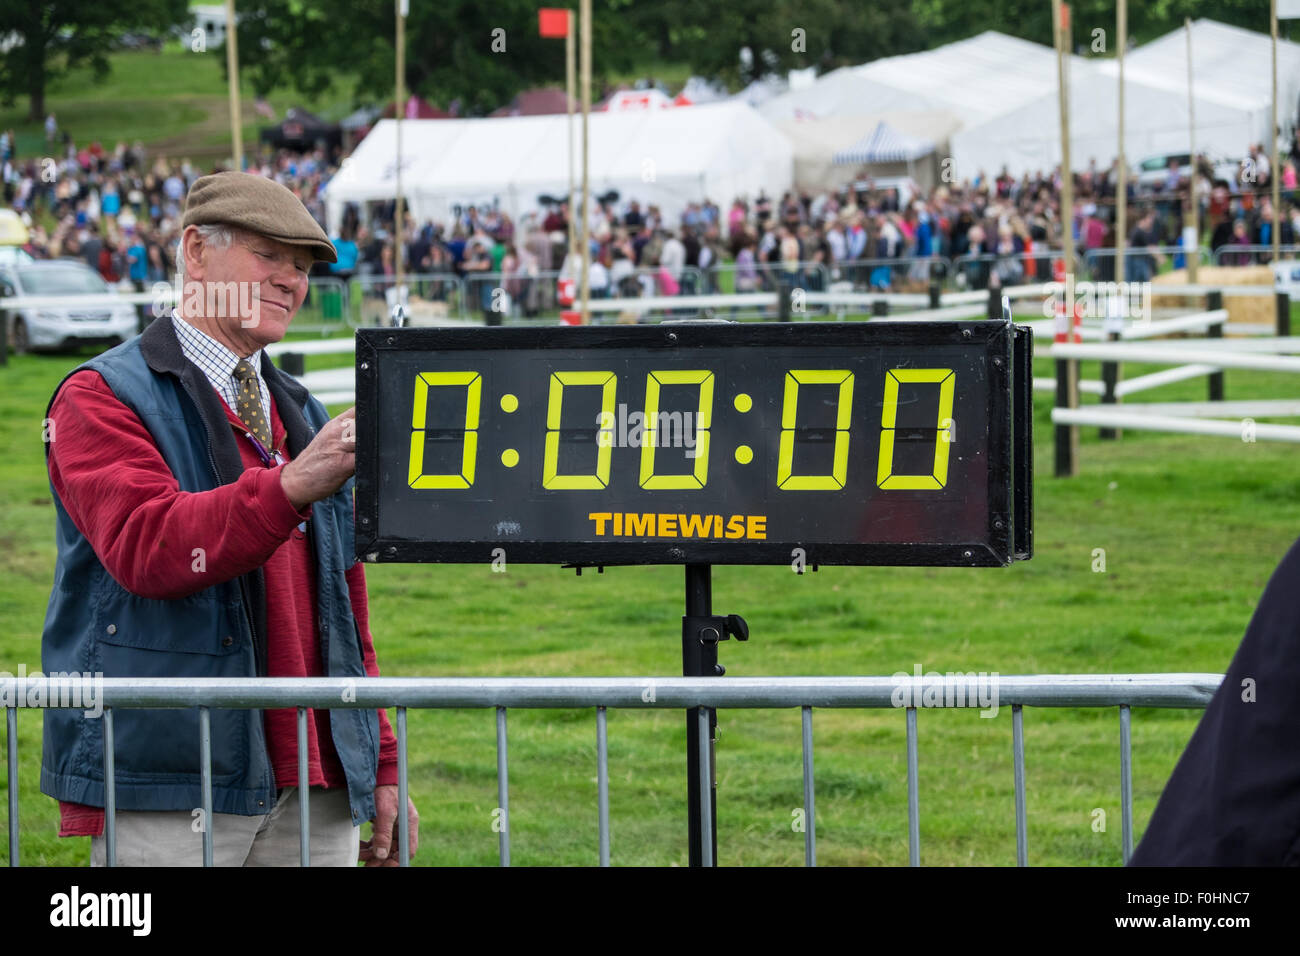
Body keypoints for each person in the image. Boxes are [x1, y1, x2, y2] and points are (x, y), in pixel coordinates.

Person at [40, 171, 418, 867]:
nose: (291, 281)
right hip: (172, 776)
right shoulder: (99, 396)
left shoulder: (298, 407)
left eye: (302, 268)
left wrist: (381, 760)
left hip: (320, 779)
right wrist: (291, 485)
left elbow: (346, 603)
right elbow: (149, 547)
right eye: (269, 256)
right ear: (195, 252)